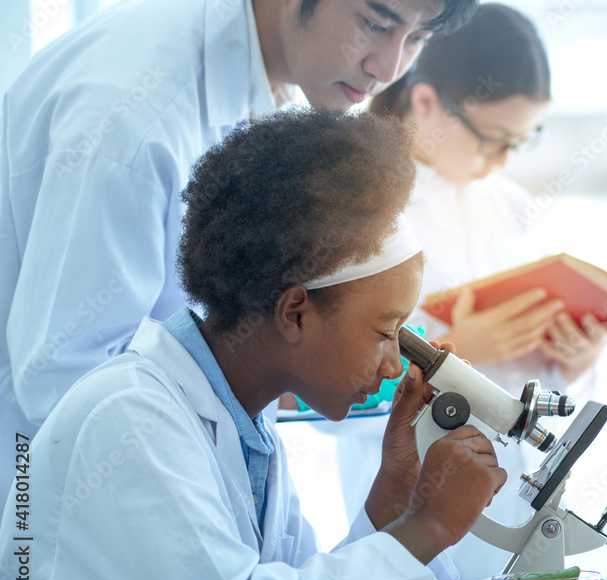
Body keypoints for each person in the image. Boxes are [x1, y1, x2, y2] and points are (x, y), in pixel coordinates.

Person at [0, 108, 506, 580]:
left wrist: (393, 500)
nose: (393, 367)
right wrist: (429, 526)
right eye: (386, 332)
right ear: (294, 313)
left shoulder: (247, 429)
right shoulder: (130, 416)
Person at [0, 0, 478, 500]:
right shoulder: (135, 118)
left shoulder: (269, 86)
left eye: (419, 37)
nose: (388, 67)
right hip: (59, 514)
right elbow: (69, 391)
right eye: (375, 23)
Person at [332, 4, 607, 580]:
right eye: (493, 138)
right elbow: (328, 385)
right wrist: (457, 349)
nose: (505, 160)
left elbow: (534, 381)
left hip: (516, 493)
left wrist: (576, 361)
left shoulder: (509, 207)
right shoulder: (365, 212)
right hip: (409, 496)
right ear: (427, 103)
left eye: (522, 139)